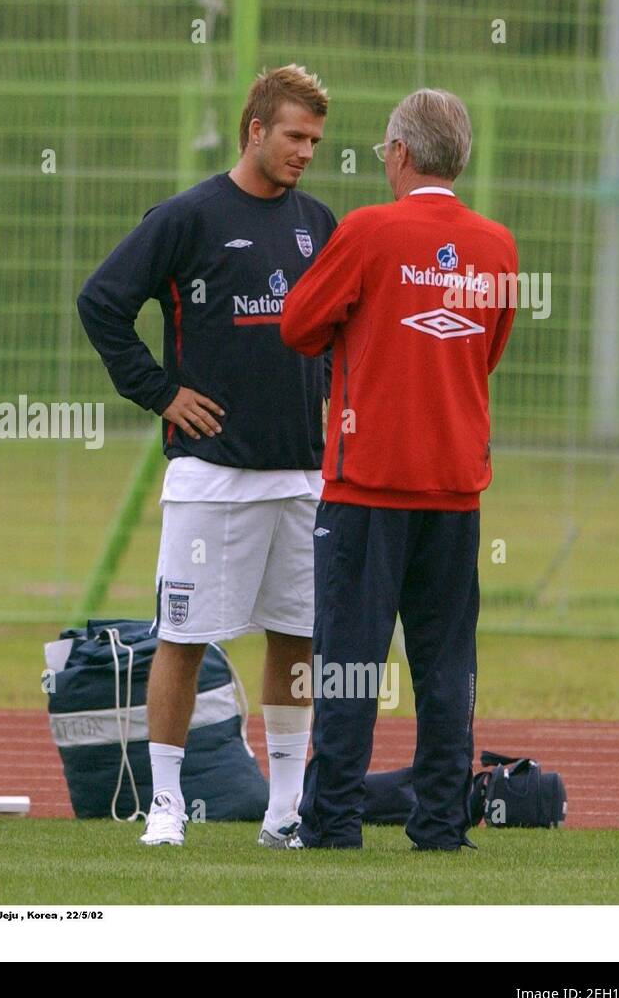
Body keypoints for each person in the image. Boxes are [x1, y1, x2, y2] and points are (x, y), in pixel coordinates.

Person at [77, 65, 335, 848]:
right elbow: (102, 301)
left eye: (316, 141)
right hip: (210, 474)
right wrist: (161, 393)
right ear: (255, 130)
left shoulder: (319, 222)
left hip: (300, 473)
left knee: (296, 637)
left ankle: (284, 809)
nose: (305, 152)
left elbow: (335, 329)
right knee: (182, 635)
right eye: (294, 136)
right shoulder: (187, 215)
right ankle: (164, 804)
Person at [280, 88, 518, 851]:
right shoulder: (497, 246)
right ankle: (443, 823)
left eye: (386, 150)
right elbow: (487, 349)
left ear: (402, 153)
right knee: (446, 665)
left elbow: (299, 325)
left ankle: (334, 820)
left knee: (349, 662)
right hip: (454, 487)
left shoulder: (367, 231)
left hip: (368, 486)